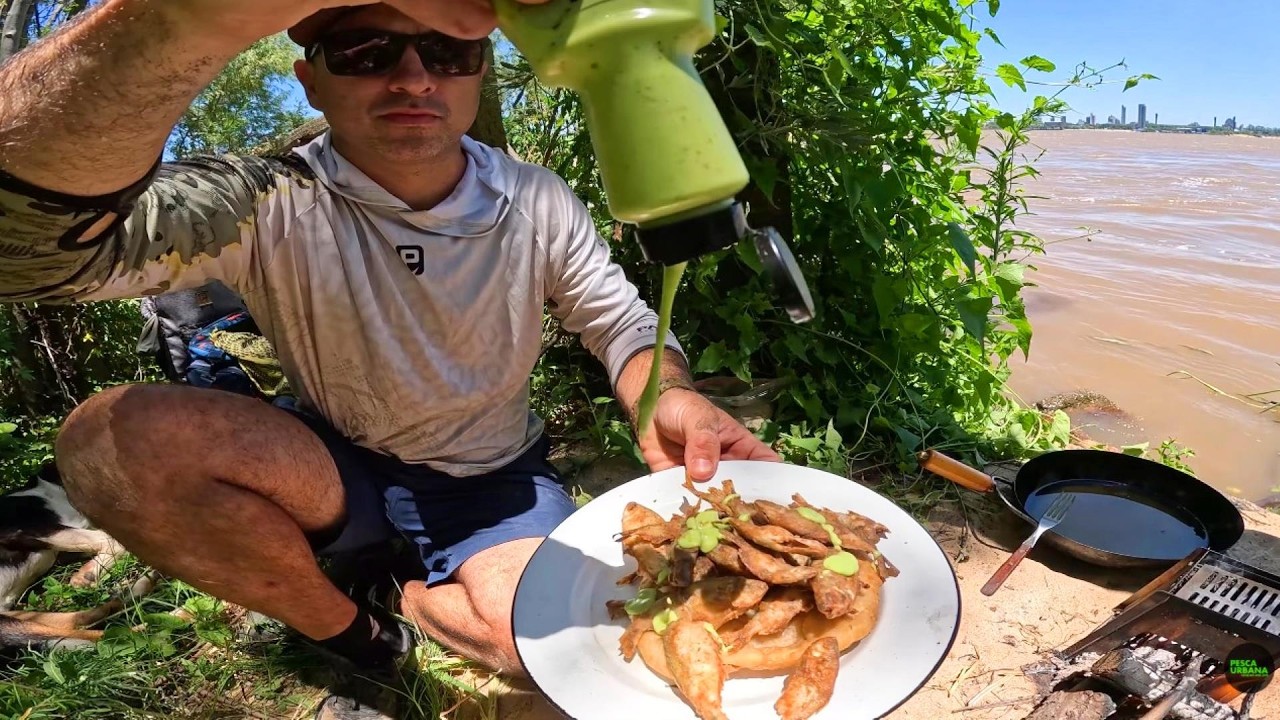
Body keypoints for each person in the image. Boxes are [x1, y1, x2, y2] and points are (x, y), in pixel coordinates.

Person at [0, 0, 780, 694]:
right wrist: (180, 16)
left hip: (490, 479)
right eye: (365, 51)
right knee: (107, 438)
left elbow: (620, 323)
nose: (413, 77)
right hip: (335, 463)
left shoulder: (535, 197)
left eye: (447, 51)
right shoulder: (264, 199)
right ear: (311, 79)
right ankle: (353, 630)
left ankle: (402, 588)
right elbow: (24, 252)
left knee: (540, 646)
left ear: (479, 70)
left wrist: (668, 393)